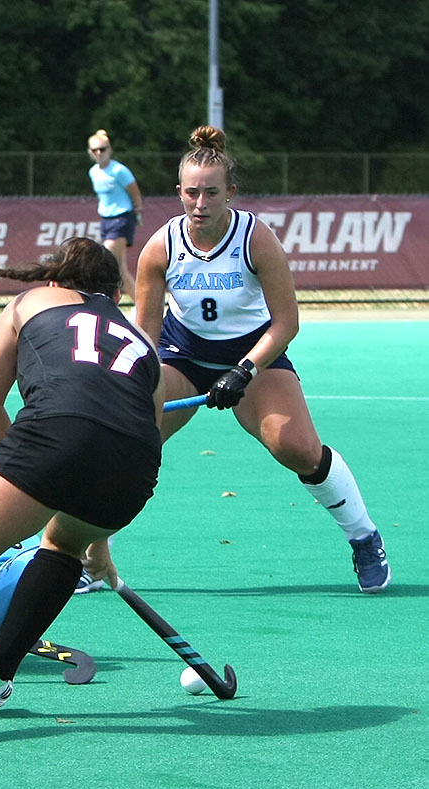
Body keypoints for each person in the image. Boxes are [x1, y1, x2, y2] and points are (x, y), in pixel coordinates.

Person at [0, 238, 165, 742]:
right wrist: (98, 540)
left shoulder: (29, 301)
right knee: (64, 544)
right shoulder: (145, 342)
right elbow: (138, 432)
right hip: (134, 471)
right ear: (115, 294)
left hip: (54, 437)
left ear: (56, 279)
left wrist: (22, 470)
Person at [133, 125, 391, 593]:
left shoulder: (256, 239)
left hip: (254, 358)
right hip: (182, 357)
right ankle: (88, 556)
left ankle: (363, 536)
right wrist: (132, 389)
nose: (200, 203)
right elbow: (146, 334)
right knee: (128, 440)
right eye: (191, 192)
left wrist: (243, 370)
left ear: (231, 192)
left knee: (297, 448)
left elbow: (286, 323)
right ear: (179, 192)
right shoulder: (160, 246)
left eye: (212, 193)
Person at [87, 129, 143, 302]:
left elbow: (135, 192)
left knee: (105, 260)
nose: (99, 153)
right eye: (95, 150)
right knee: (120, 270)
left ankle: (104, 303)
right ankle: (142, 305)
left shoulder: (119, 170)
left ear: (109, 149)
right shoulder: (93, 172)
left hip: (122, 218)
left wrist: (138, 212)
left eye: (102, 149)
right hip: (106, 220)